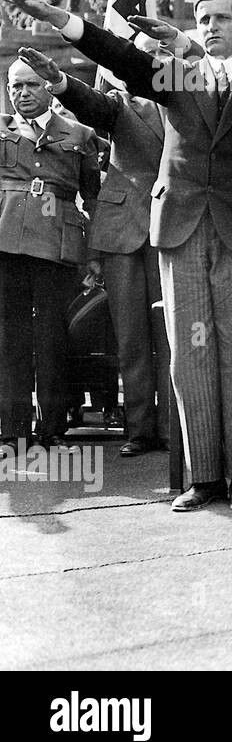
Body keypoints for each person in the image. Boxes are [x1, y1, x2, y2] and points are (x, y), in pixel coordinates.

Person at [3, 0, 232, 512]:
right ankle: (205, 478)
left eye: (220, 18)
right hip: (179, 229)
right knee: (188, 357)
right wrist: (64, 22)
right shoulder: (179, 77)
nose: (211, 27)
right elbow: (122, 58)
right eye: (202, 18)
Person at [17, 43, 168, 458]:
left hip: (173, 228)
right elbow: (90, 105)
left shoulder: (185, 105)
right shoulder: (118, 105)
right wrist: (59, 81)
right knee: (131, 337)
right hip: (121, 234)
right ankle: (140, 430)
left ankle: (176, 428)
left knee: (171, 336)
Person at [0, 60, 100, 450]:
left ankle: (54, 429)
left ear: (48, 88)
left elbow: (92, 196)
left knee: (53, 338)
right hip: (6, 243)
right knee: (10, 337)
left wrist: (93, 255)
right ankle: (12, 431)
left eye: (30, 86)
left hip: (56, 246)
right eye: (14, 87)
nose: (22, 94)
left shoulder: (79, 133)